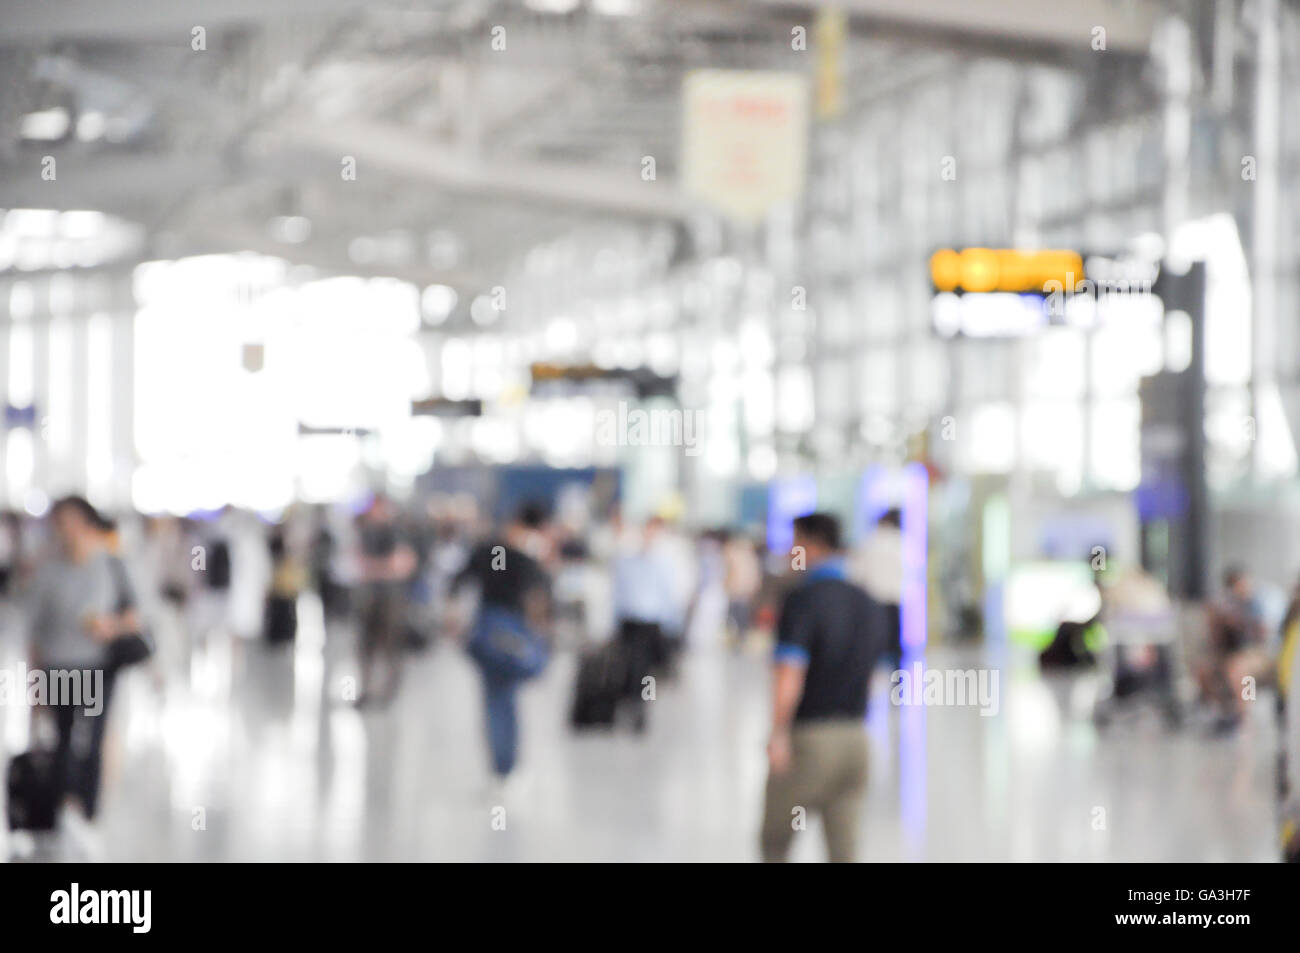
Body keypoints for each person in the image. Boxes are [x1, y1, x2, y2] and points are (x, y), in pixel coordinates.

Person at [761, 512, 886, 863]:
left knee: (775, 841)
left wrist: (778, 734)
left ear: (811, 545)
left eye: (794, 543)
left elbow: (790, 674)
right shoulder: (867, 602)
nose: (789, 553)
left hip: (810, 740)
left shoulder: (802, 601)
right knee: (844, 853)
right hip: (856, 742)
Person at [25, 496, 140, 849]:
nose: (66, 529)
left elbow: (134, 616)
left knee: (92, 742)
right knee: (61, 742)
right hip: (59, 667)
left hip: (97, 666)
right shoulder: (47, 570)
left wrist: (110, 626)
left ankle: (87, 812)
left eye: (72, 520)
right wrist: (35, 684)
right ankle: (62, 810)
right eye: (60, 521)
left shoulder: (110, 566)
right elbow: (35, 631)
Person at [453, 503, 553, 787]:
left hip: (486, 634)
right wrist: (540, 640)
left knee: (494, 700)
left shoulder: (486, 550)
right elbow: (539, 603)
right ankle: (506, 766)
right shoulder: (526, 559)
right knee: (505, 701)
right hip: (511, 635)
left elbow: (458, 583)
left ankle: (501, 768)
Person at [610, 517, 681, 730]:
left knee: (646, 670)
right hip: (630, 621)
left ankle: (643, 705)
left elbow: (669, 595)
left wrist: (672, 627)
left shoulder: (665, 562)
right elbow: (617, 593)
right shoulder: (626, 560)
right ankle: (631, 703)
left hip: (652, 623)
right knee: (631, 666)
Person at [353, 494, 417, 708]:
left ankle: (389, 693)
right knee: (366, 646)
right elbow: (358, 563)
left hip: (391, 597)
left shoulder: (397, 533)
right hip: (369, 596)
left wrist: (376, 568)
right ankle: (366, 689)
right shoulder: (366, 532)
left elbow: (402, 564)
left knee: (391, 646)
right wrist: (382, 567)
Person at [1201, 566, 1271, 733]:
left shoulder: (1255, 603)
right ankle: (1222, 712)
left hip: (1254, 652)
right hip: (1229, 654)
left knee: (1241, 670)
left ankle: (1245, 713)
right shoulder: (1222, 606)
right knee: (1205, 669)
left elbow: (1262, 633)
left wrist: (1240, 622)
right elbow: (1215, 639)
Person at [852, 508, 903, 669]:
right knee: (894, 646)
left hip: (873, 601)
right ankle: (897, 683)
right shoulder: (900, 541)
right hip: (894, 601)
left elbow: (857, 573)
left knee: (873, 645)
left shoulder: (869, 542)